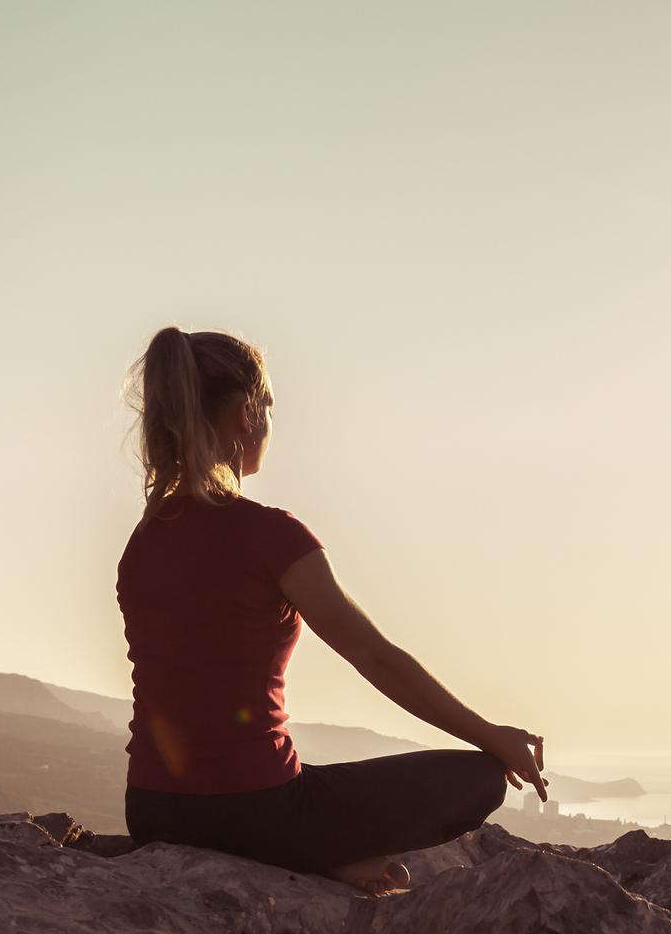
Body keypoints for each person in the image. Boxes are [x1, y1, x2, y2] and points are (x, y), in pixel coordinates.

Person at [116, 325, 549, 896]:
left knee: (305, 790)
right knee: (479, 779)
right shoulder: (273, 536)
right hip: (257, 812)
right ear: (247, 414)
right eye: (267, 407)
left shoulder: (143, 541)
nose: (271, 424)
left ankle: (316, 853)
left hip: (152, 809)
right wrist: (492, 736)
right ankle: (319, 857)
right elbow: (375, 657)